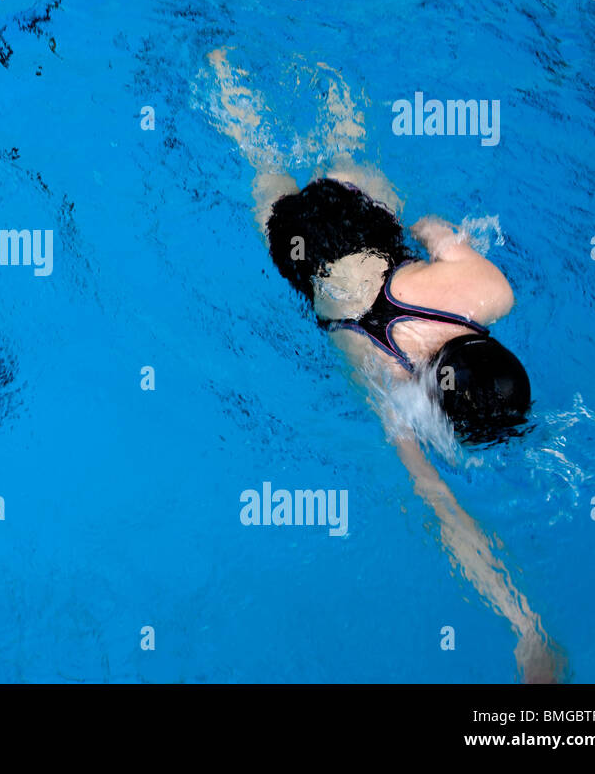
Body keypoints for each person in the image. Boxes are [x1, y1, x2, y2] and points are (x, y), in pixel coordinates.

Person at [207, 48, 561, 683]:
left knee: (345, 143)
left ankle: (256, 58)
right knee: (263, 169)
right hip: (305, 255)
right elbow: (442, 508)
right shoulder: (393, 388)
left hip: (365, 219)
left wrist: (435, 238)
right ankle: (224, 73)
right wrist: (523, 624)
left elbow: (430, 227)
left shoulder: (485, 296)